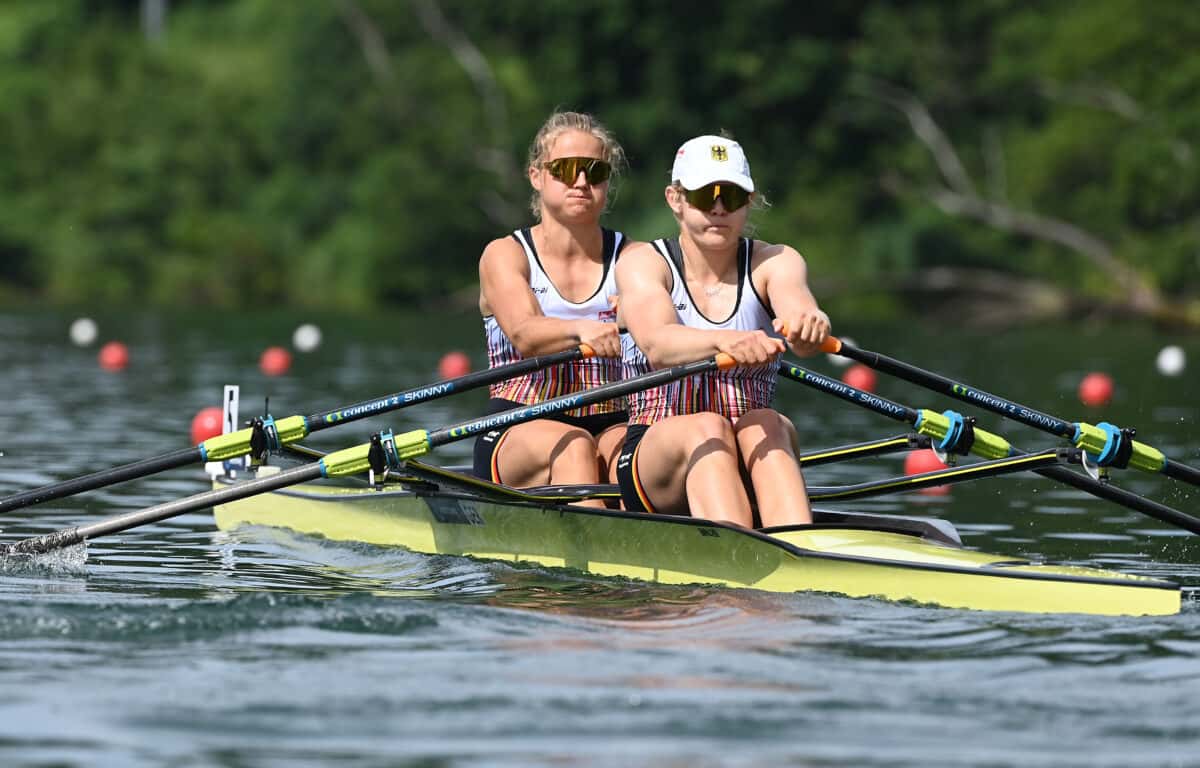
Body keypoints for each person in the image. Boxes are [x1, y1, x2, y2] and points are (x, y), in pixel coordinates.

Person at [614, 134, 830, 527]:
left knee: (765, 421)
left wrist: (809, 326)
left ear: (748, 201)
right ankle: (744, 564)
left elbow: (798, 308)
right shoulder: (643, 263)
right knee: (707, 427)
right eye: (702, 195)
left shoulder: (775, 261)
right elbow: (657, 343)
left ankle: (799, 548)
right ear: (674, 199)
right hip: (656, 459)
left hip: (749, 448)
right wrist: (725, 340)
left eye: (730, 196)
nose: (717, 208)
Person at [473, 111, 629, 504]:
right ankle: (596, 562)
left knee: (636, 455)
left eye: (595, 172)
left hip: (612, 420)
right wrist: (583, 330)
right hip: (518, 422)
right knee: (574, 445)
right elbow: (526, 334)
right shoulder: (506, 255)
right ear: (537, 176)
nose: (581, 182)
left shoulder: (634, 257)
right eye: (566, 169)